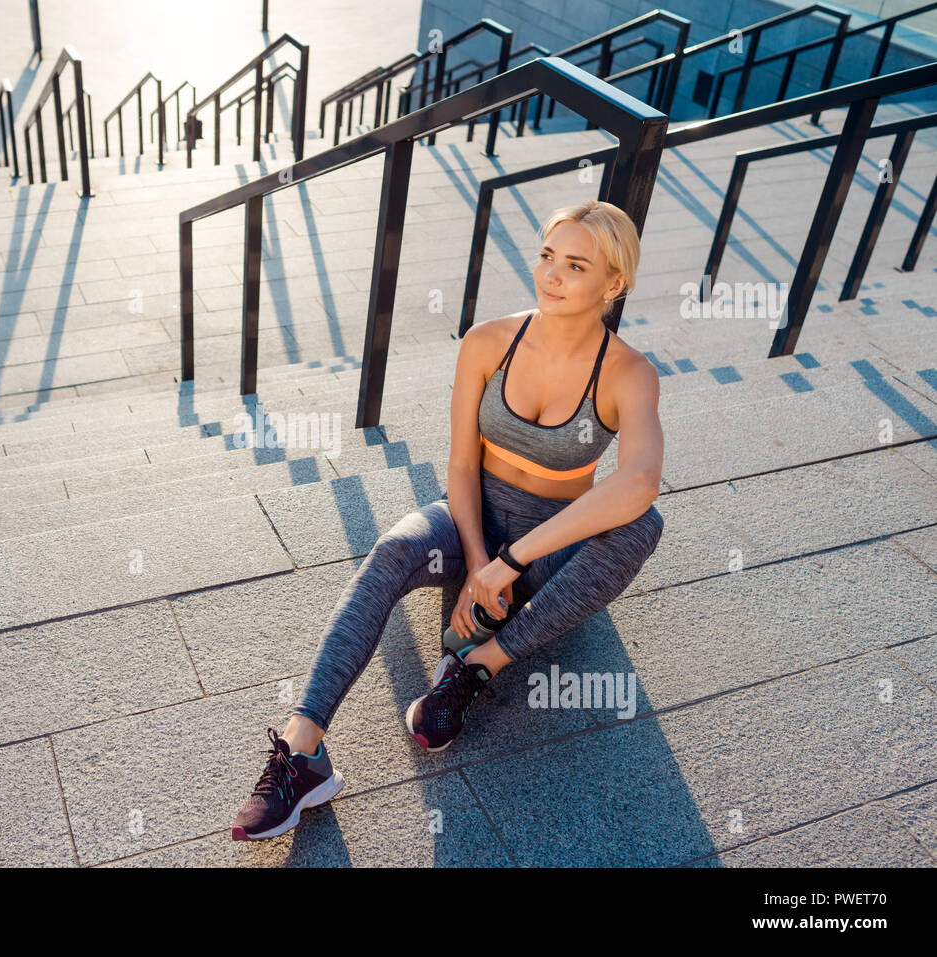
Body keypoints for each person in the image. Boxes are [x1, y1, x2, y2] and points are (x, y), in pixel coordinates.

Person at [231, 199, 666, 842]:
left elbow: (639, 481)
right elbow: (462, 465)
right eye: (548, 256)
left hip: (553, 546)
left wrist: (511, 564)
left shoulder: (629, 373)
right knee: (391, 551)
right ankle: (303, 750)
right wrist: (475, 564)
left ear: (614, 283)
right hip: (473, 521)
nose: (551, 275)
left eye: (576, 266)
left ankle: (479, 664)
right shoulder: (490, 341)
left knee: (641, 524)